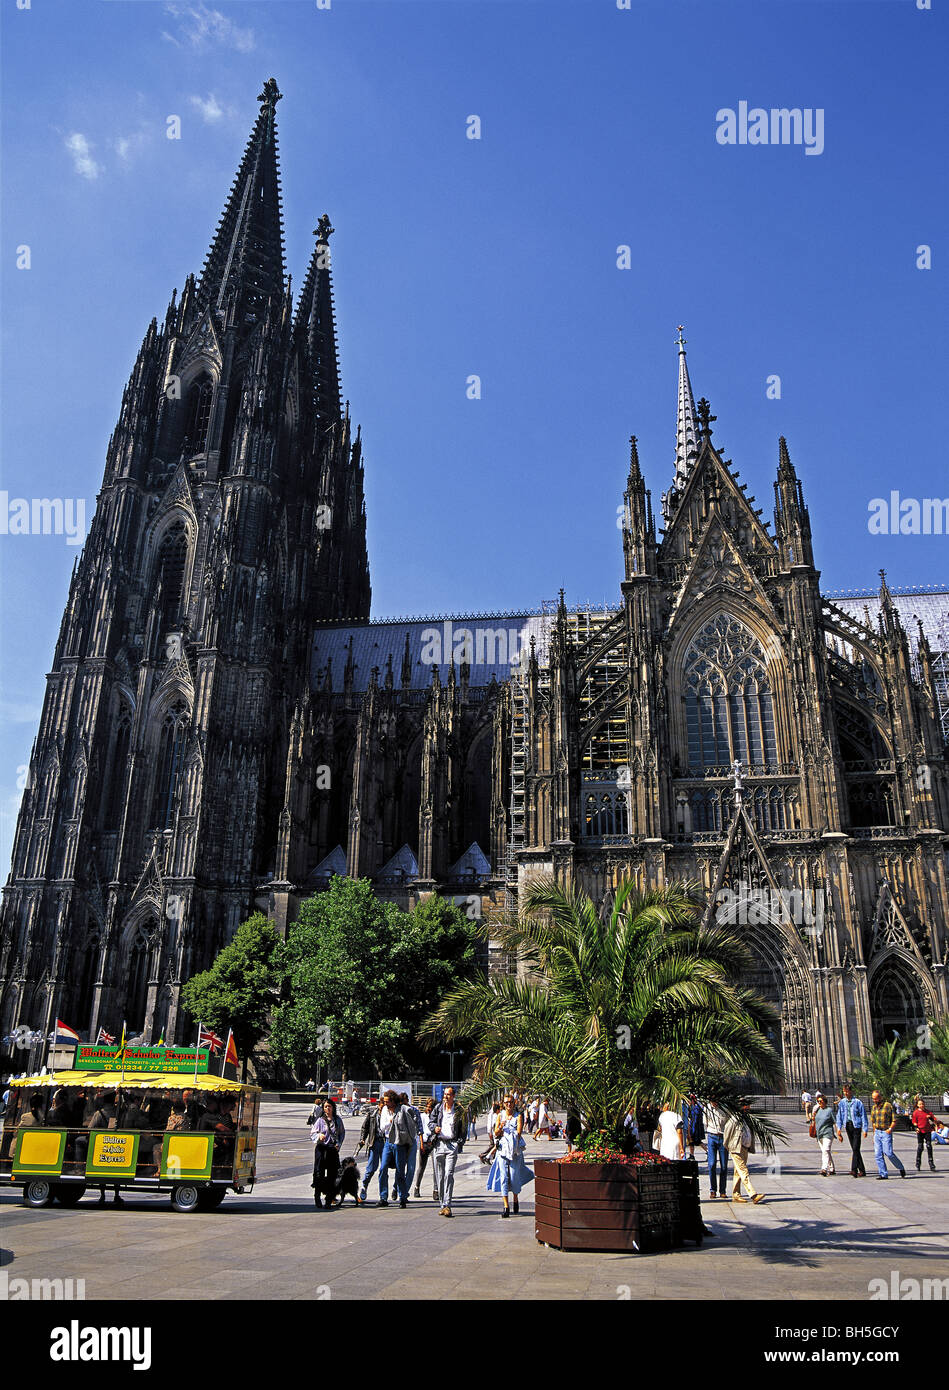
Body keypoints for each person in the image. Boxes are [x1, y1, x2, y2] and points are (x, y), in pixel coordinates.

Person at [487, 1092, 532, 1217]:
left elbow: (519, 1133)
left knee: (513, 1176)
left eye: (510, 1102)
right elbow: (496, 1132)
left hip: (514, 1150)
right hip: (502, 1150)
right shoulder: (500, 1116)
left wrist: (510, 1133)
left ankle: (515, 1198)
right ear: (503, 1104)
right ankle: (506, 1206)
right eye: (506, 1102)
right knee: (503, 1177)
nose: (508, 1105)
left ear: (514, 1103)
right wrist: (501, 1127)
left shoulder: (518, 1116)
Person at [432, 1085, 466, 1217]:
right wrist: (434, 1128)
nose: (445, 1096)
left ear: (453, 1096)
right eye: (445, 1094)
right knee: (440, 1176)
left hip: (452, 1144)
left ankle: (447, 1204)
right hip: (439, 1144)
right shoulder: (438, 1108)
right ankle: (442, 1205)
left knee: (449, 1173)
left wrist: (459, 1142)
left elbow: (464, 1127)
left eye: (448, 1094)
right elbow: (431, 1121)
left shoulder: (458, 1110)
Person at [377, 1090, 416, 1208]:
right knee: (383, 1168)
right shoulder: (385, 1110)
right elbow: (382, 1128)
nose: (385, 1104)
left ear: (393, 1101)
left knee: (400, 1170)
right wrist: (390, 1122)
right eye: (384, 1101)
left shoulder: (402, 1109)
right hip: (388, 1142)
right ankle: (383, 1197)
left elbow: (411, 1124)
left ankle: (402, 1197)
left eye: (387, 1101)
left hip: (400, 1143)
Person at [309, 1098, 345, 1209]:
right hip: (321, 1149)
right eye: (325, 1107)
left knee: (332, 1175)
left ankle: (329, 1199)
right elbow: (312, 1133)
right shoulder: (320, 1120)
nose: (327, 1108)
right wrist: (319, 1136)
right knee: (319, 1174)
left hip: (332, 1150)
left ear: (333, 1107)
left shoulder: (337, 1120)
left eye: (329, 1106)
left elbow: (342, 1133)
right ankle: (317, 1196)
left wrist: (338, 1144)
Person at [723, 1108, 764, 1204]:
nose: (748, 1108)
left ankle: (736, 1195)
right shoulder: (735, 1118)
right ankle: (753, 1194)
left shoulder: (747, 1118)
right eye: (746, 1105)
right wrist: (728, 1146)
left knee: (738, 1172)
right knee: (743, 1170)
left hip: (745, 1148)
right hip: (736, 1149)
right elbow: (727, 1132)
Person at [870, 1090, 906, 1179]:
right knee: (878, 1154)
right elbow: (873, 1122)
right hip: (877, 1132)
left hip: (885, 1131)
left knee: (888, 1152)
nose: (874, 1100)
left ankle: (900, 1167)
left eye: (876, 1098)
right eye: (873, 1099)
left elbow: (894, 1119)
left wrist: (890, 1129)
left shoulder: (888, 1106)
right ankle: (883, 1174)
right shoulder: (874, 1107)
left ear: (880, 1097)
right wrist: (874, 1135)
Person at [834, 1083, 868, 1177]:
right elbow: (839, 1116)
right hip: (848, 1125)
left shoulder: (857, 1102)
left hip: (856, 1126)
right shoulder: (842, 1102)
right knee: (854, 1148)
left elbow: (863, 1115)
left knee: (856, 1147)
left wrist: (865, 1129)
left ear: (851, 1091)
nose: (845, 1093)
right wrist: (839, 1128)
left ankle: (854, 1169)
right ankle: (862, 1170)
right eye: (844, 1091)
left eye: (847, 1091)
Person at [356, 1098, 386, 1204]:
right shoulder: (372, 1114)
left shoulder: (389, 1114)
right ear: (379, 1104)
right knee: (371, 1168)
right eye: (383, 1104)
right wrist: (362, 1139)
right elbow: (365, 1127)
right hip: (375, 1142)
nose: (384, 1107)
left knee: (384, 1169)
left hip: (385, 1143)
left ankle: (383, 1196)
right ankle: (364, 1185)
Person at [702, 1097, 728, 1200]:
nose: (714, 1103)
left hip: (722, 1137)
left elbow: (728, 1122)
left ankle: (722, 1190)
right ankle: (713, 1189)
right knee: (712, 1164)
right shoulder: (707, 1108)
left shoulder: (724, 1108)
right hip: (712, 1136)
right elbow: (705, 1122)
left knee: (724, 1165)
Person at [413, 1097, 439, 1199]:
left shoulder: (437, 1117)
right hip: (424, 1143)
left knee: (435, 1167)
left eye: (431, 1107)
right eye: (428, 1107)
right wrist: (421, 1144)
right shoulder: (422, 1116)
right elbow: (420, 1130)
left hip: (434, 1143)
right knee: (421, 1167)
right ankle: (417, 1187)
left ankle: (435, 1190)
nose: (429, 1109)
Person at [401, 1092, 422, 1197]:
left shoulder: (414, 1110)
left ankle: (404, 1191)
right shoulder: (398, 1111)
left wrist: (421, 1143)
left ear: (407, 1101)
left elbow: (420, 1127)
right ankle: (397, 1188)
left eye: (404, 1102)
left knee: (411, 1168)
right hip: (400, 1142)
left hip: (412, 1141)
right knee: (400, 1168)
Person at [910, 1096, 939, 1172]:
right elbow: (914, 1121)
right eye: (920, 1104)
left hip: (927, 1130)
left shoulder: (928, 1112)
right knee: (920, 1147)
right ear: (917, 1105)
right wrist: (916, 1128)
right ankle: (918, 1162)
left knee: (929, 1146)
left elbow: (935, 1120)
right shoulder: (916, 1113)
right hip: (920, 1131)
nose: (921, 1105)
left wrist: (930, 1118)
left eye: (922, 1104)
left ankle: (931, 1163)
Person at [811, 1092, 837, 1175]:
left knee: (826, 1150)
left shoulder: (829, 1110)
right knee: (825, 1151)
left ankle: (824, 1169)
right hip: (819, 1134)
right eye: (818, 1101)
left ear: (825, 1102)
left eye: (820, 1101)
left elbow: (835, 1122)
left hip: (828, 1133)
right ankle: (832, 1168)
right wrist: (813, 1118)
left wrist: (838, 1132)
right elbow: (815, 1120)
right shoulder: (817, 1110)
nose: (819, 1103)